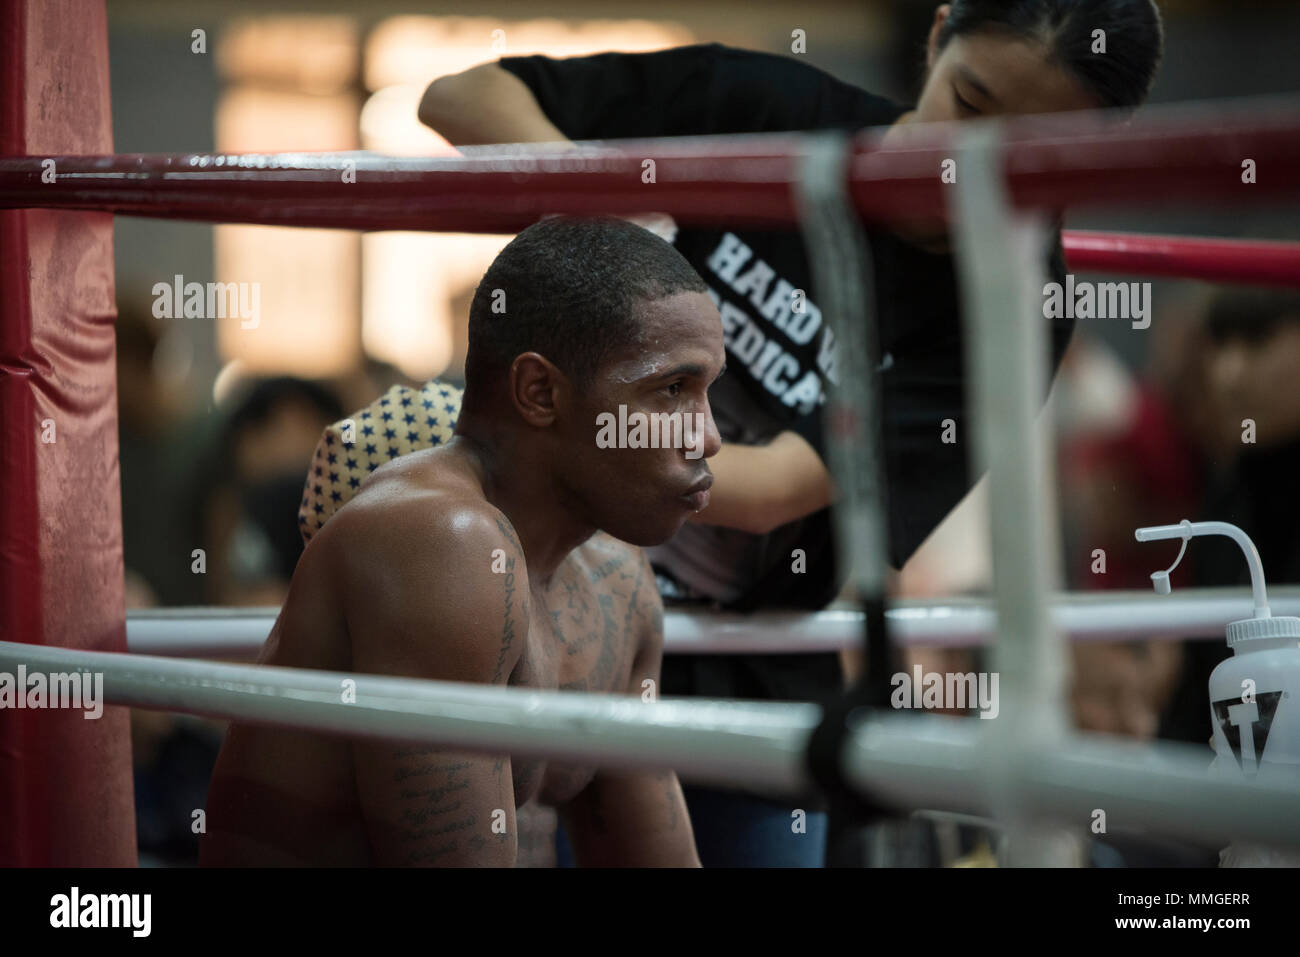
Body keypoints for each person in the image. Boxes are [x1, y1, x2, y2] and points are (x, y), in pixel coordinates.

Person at [419, 0, 1165, 866]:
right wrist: (605, 228)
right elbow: (462, 94)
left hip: (740, 675)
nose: (971, 164)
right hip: (539, 611)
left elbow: (773, 491)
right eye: (967, 103)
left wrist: (561, 451)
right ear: (935, 42)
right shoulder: (767, 107)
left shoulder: (1017, 297)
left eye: (1032, 152)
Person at [201, 216, 722, 866]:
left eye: (707, 392)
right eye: (672, 389)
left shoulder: (619, 579)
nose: (706, 438)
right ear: (540, 392)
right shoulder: (439, 541)